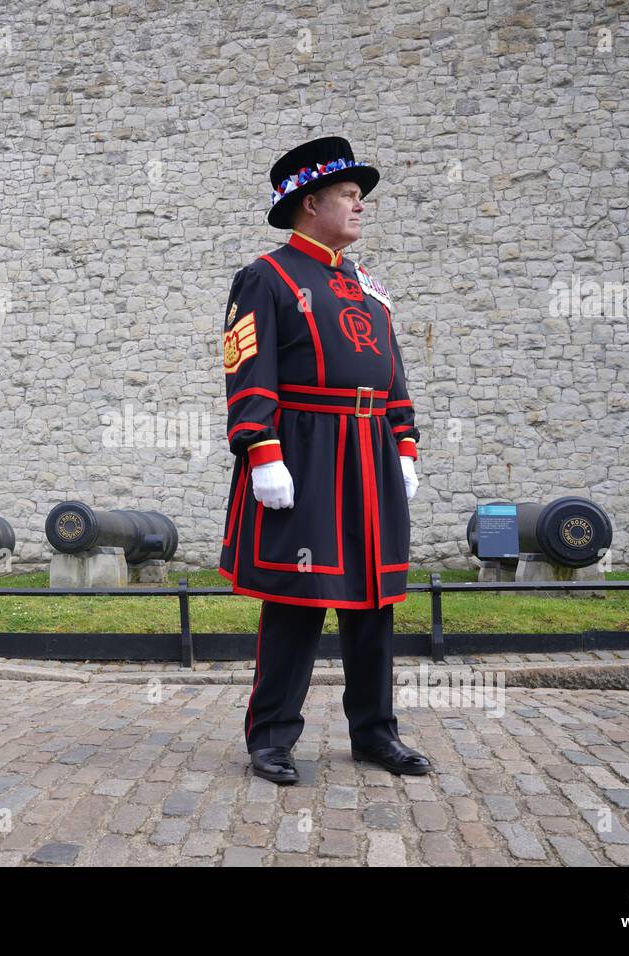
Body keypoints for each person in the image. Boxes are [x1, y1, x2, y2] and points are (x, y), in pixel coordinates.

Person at [218, 136, 433, 785]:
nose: (360, 204)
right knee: (298, 598)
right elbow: (246, 369)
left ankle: (374, 732)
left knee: (374, 601)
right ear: (310, 203)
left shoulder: (370, 285)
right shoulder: (266, 277)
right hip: (304, 454)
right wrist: (261, 451)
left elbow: (392, 372)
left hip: (369, 456)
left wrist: (404, 444)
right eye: (348, 194)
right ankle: (272, 737)